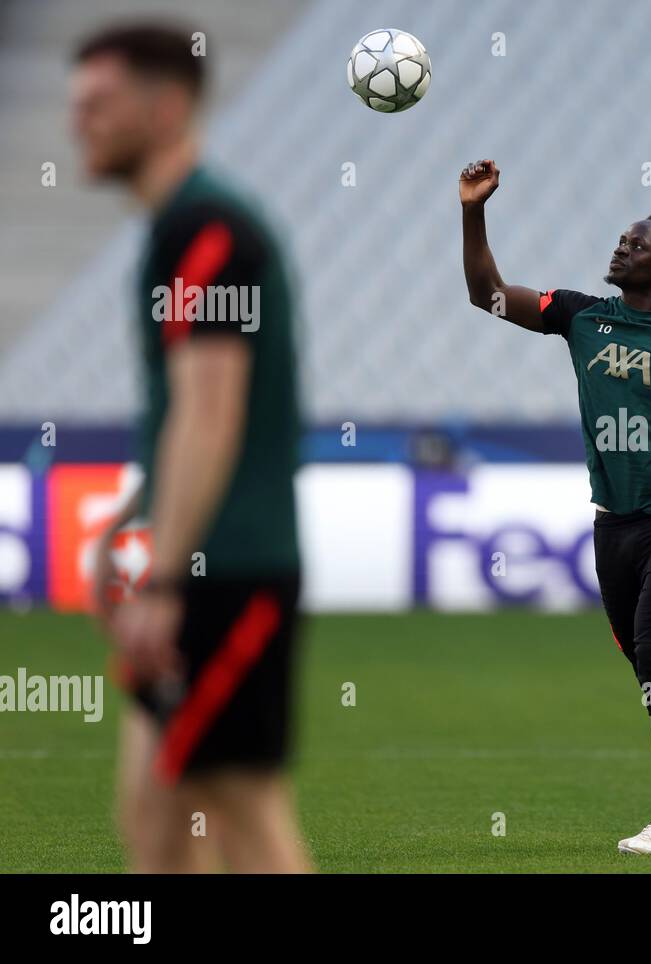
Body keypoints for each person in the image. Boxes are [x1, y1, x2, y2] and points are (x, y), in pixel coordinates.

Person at [459, 158, 651, 854]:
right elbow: (485, 294)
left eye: (638, 245)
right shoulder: (581, 317)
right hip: (614, 524)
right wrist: (473, 210)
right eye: (623, 239)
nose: (621, 247)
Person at [73, 22, 310, 872]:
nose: (80, 123)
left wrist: (166, 578)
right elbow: (192, 415)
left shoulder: (208, 229)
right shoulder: (186, 226)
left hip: (227, 571)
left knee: (240, 809)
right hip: (205, 564)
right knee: (157, 814)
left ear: (167, 106)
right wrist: (129, 528)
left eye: (99, 103)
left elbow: (211, 413)